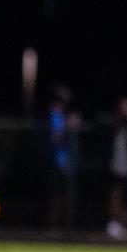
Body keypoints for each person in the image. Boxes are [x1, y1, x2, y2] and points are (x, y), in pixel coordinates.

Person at [41, 86, 78, 230]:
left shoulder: (61, 115)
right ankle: (53, 225)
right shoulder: (53, 115)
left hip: (65, 162)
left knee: (64, 194)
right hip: (55, 161)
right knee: (55, 195)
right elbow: (55, 137)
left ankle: (63, 225)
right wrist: (69, 125)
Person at [105, 96, 127, 239]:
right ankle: (113, 225)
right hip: (115, 166)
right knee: (114, 196)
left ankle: (124, 229)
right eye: (123, 106)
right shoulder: (114, 124)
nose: (126, 109)